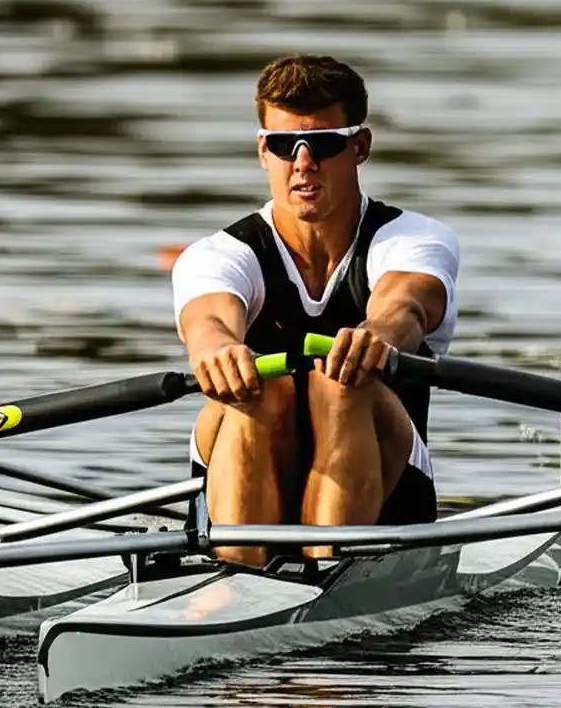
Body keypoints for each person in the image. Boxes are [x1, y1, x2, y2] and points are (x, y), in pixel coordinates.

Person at [171, 54, 460, 566]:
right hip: (245, 451)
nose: (303, 162)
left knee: (339, 379)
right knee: (256, 386)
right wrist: (214, 348)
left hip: (391, 493)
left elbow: (407, 305)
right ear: (264, 151)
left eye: (323, 143)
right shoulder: (219, 254)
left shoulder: (415, 240)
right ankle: (235, 575)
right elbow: (208, 319)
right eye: (284, 145)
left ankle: (323, 566)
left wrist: (377, 335)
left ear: (360, 146)